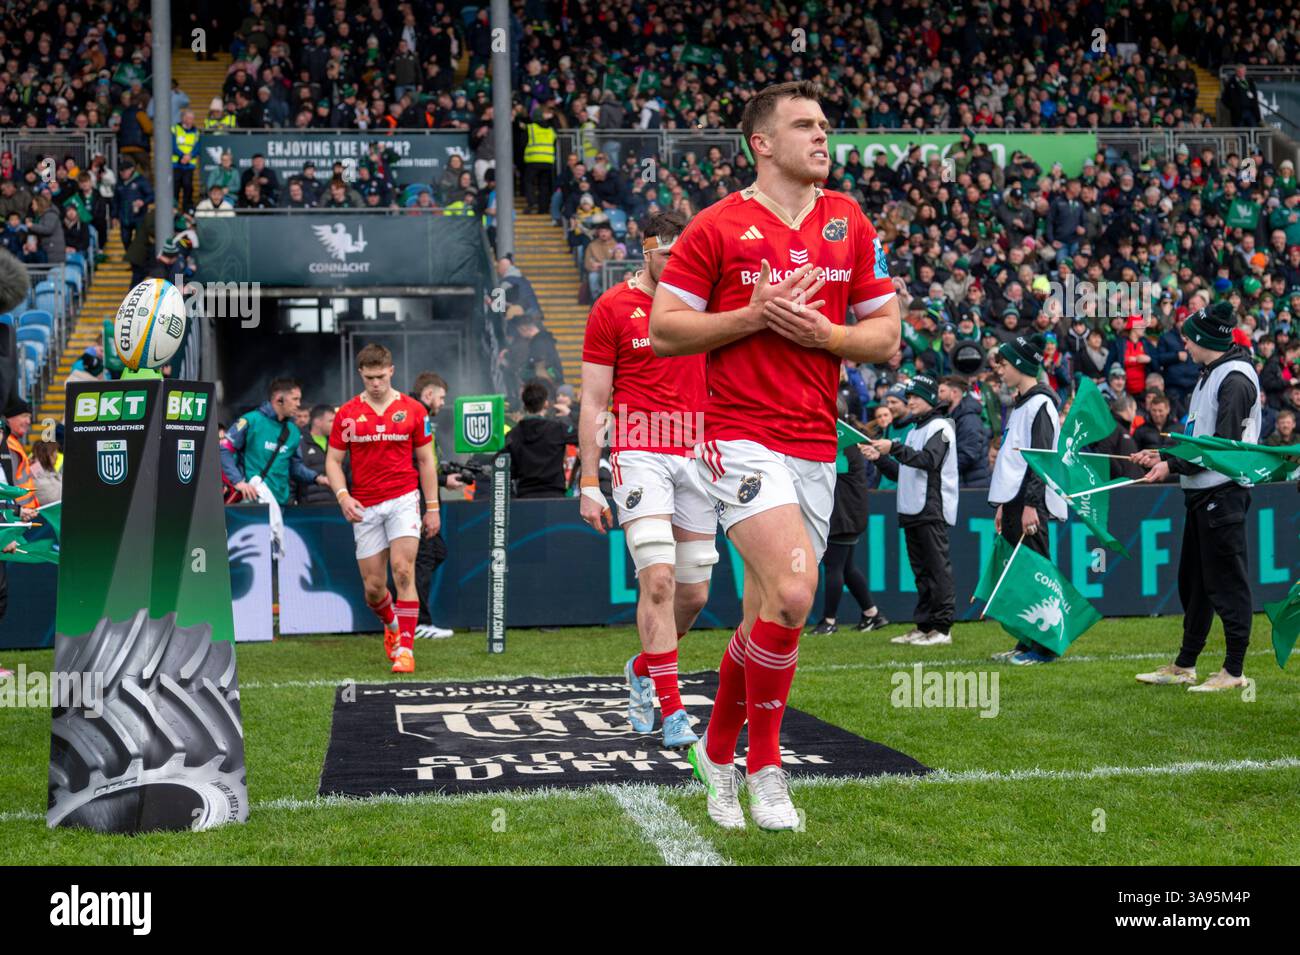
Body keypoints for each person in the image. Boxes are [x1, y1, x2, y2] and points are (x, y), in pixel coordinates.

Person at [649, 81, 900, 831]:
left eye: (825, 125)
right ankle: (765, 765)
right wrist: (753, 315)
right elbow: (665, 329)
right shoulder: (716, 226)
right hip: (737, 436)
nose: (823, 136)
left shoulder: (848, 221)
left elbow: (885, 337)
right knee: (795, 593)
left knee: (768, 612)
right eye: (804, 126)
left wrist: (821, 336)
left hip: (816, 443)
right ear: (762, 143)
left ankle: (716, 754)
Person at [579, 209, 717, 749]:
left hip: (700, 452)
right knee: (657, 579)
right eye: (666, 255)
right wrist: (589, 480)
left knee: (695, 593)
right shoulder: (612, 306)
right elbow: (594, 398)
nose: (676, 263)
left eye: (683, 255)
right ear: (645, 251)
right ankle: (673, 709)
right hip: (639, 450)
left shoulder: (706, 299)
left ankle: (643, 667)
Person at [1132, 304, 1261, 692]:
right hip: (1202, 495)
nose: (1182, 341)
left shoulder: (1234, 379)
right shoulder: (1210, 374)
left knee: (1227, 584)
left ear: (1205, 339)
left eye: (1188, 335)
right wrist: (1164, 456)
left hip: (1223, 495)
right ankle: (1185, 664)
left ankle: (1234, 671)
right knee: (1195, 584)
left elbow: (1219, 448)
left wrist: (1170, 465)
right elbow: (1198, 439)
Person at [325, 344, 441, 675]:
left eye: (381, 376)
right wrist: (343, 496)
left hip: (404, 497)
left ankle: (406, 649)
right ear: (360, 374)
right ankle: (391, 626)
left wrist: (431, 508)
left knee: (403, 570)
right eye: (369, 377)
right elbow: (333, 461)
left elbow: (426, 461)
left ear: (392, 371)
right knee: (373, 588)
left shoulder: (413, 410)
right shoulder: (347, 414)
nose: (376, 383)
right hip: (365, 504)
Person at [986, 334, 1068, 665]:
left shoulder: (1040, 404)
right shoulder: (1021, 403)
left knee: (1035, 572)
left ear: (1020, 365)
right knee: (1019, 574)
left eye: (1003, 364)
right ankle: (1026, 640)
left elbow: (1042, 459)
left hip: (1031, 502)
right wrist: (1005, 502)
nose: (1000, 371)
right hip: (1016, 501)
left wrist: (1031, 504)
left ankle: (1045, 648)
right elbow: (1012, 459)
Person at [864, 374, 957, 646]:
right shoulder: (915, 430)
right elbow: (904, 470)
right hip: (913, 509)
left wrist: (893, 446)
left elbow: (929, 461)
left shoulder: (940, 426)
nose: (910, 401)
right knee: (922, 571)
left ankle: (942, 628)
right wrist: (880, 459)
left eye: (915, 396)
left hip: (931, 507)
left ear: (928, 399)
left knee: (937, 569)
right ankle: (925, 625)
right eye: (910, 396)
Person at [809, 408, 888, 635]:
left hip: (844, 515)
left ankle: (829, 621)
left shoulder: (841, 446)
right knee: (847, 568)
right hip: (847, 514)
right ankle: (872, 614)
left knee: (834, 567)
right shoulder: (845, 444)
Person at [220, 378, 325, 507]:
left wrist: (317, 478)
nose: (298, 404)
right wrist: (238, 482)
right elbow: (224, 449)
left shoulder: (293, 431)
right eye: (295, 399)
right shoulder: (250, 420)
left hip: (282, 503)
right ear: (279, 399)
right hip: (253, 502)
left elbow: (295, 467)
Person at [410, 371, 457, 640]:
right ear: (428, 395)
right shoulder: (416, 414)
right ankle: (418, 622)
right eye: (441, 397)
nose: (442, 403)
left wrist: (443, 476)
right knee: (424, 558)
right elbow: (416, 465)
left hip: (421, 500)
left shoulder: (417, 414)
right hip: (416, 502)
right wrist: (441, 479)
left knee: (436, 553)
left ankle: (407, 612)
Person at [504, 379, 573, 498]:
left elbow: (506, 468)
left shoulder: (513, 435)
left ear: (524, 405)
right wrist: (570, 415)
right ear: (546, 403)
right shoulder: (557, 429)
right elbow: (584, 437)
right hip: (555, 496)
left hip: (525, 497)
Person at [939, 375, 991, 486]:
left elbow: (968, 453)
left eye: (942, 391)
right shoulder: (951, 417)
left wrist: (942, 470)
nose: (938, 396)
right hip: (963, 482)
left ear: (954, 393)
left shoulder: (968, 418)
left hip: (971, 487)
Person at [294, 404, 339, 504]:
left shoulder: (338, 443)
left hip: (337, 506)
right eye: (331, 421)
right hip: (309, 507)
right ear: (317, 422)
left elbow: (348, 474)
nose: (335, 424)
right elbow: (294, 474)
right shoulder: (299, 443)